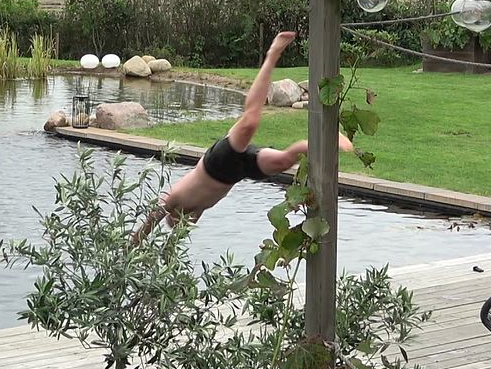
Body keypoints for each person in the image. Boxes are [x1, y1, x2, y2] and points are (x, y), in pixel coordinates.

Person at [134, 31, 352, 241]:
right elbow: (179, 235)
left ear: (172, 216)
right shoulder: (197, 209)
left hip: (218, 161)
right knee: (285, 160)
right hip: (239, 171)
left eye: (176, 222)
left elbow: (151, 218)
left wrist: (132, 246)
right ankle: (323, 139)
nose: (182, 222)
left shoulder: (173, 199)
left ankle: (273, 53)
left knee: (251, 120)